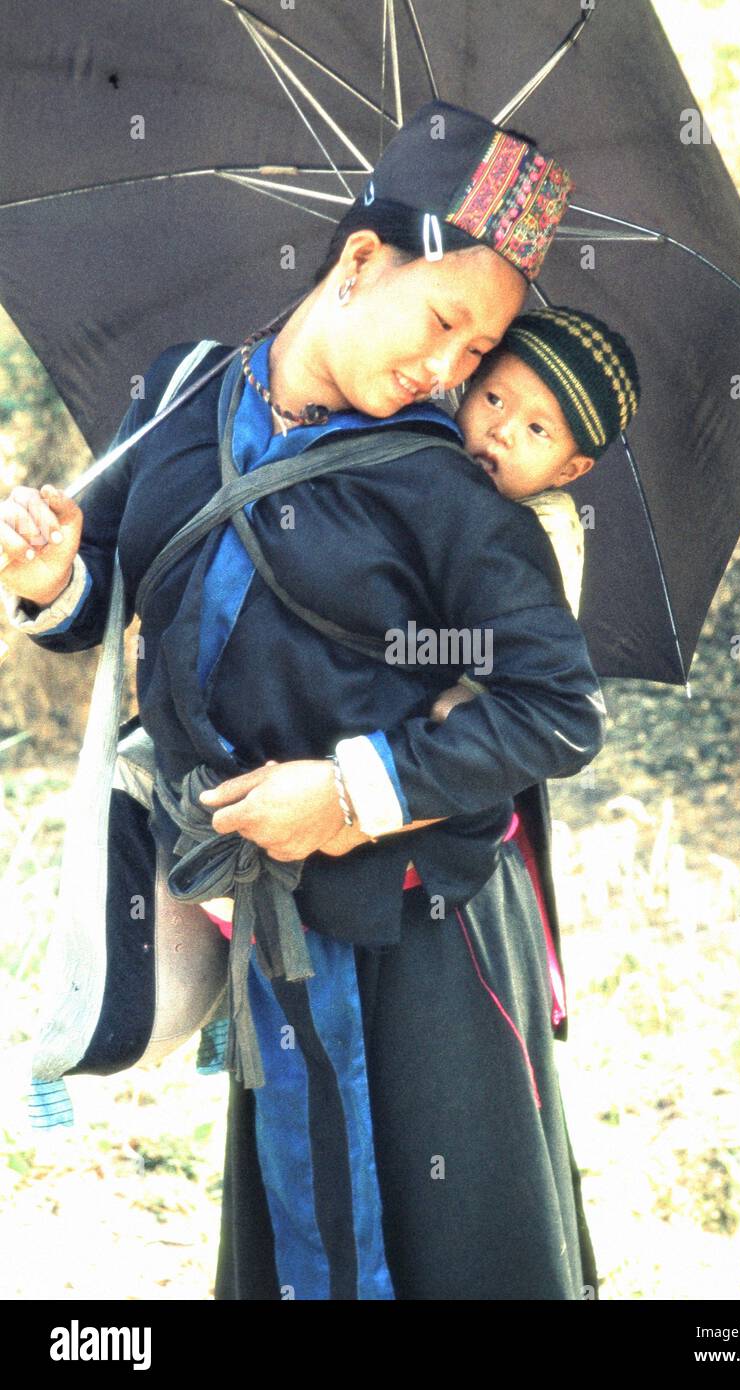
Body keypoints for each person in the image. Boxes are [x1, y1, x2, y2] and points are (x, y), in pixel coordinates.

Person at [0, 101, 607, 1300]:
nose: (448, 371)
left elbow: (556, 706)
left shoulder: (445, 484)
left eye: (477, 354)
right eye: (442, 322)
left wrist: (350, 792)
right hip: (270, 925)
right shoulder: (181, 396)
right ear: (363, 259)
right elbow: (109, 600)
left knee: (455, 1248)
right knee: (306, 1228)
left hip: (425, 932)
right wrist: (51, 577)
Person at [429, 305, 642, 728]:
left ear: (569, 471)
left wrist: (472, 692)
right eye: (494, 399)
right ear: (467, 388)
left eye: (537, 430)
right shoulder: (430, 454)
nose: (502, 430)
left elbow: (532, 647)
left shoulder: (545, 532)